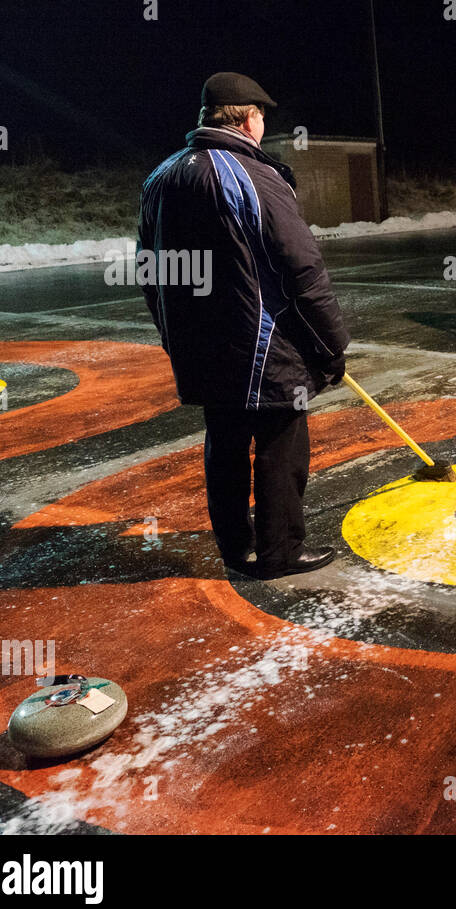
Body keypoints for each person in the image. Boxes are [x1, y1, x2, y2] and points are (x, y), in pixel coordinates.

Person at [138, 72, 349, 580]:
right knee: (281, 444)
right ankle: (280, 552)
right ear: (250, 118)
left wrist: (173, 335)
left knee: (225, 444)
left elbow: (150, 270)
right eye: (262, 116)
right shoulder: (253, 175)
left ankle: (236, 548)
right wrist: (331, 345)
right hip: (263, 346)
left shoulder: (162, 176)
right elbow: (301, 266)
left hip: (202, 348)